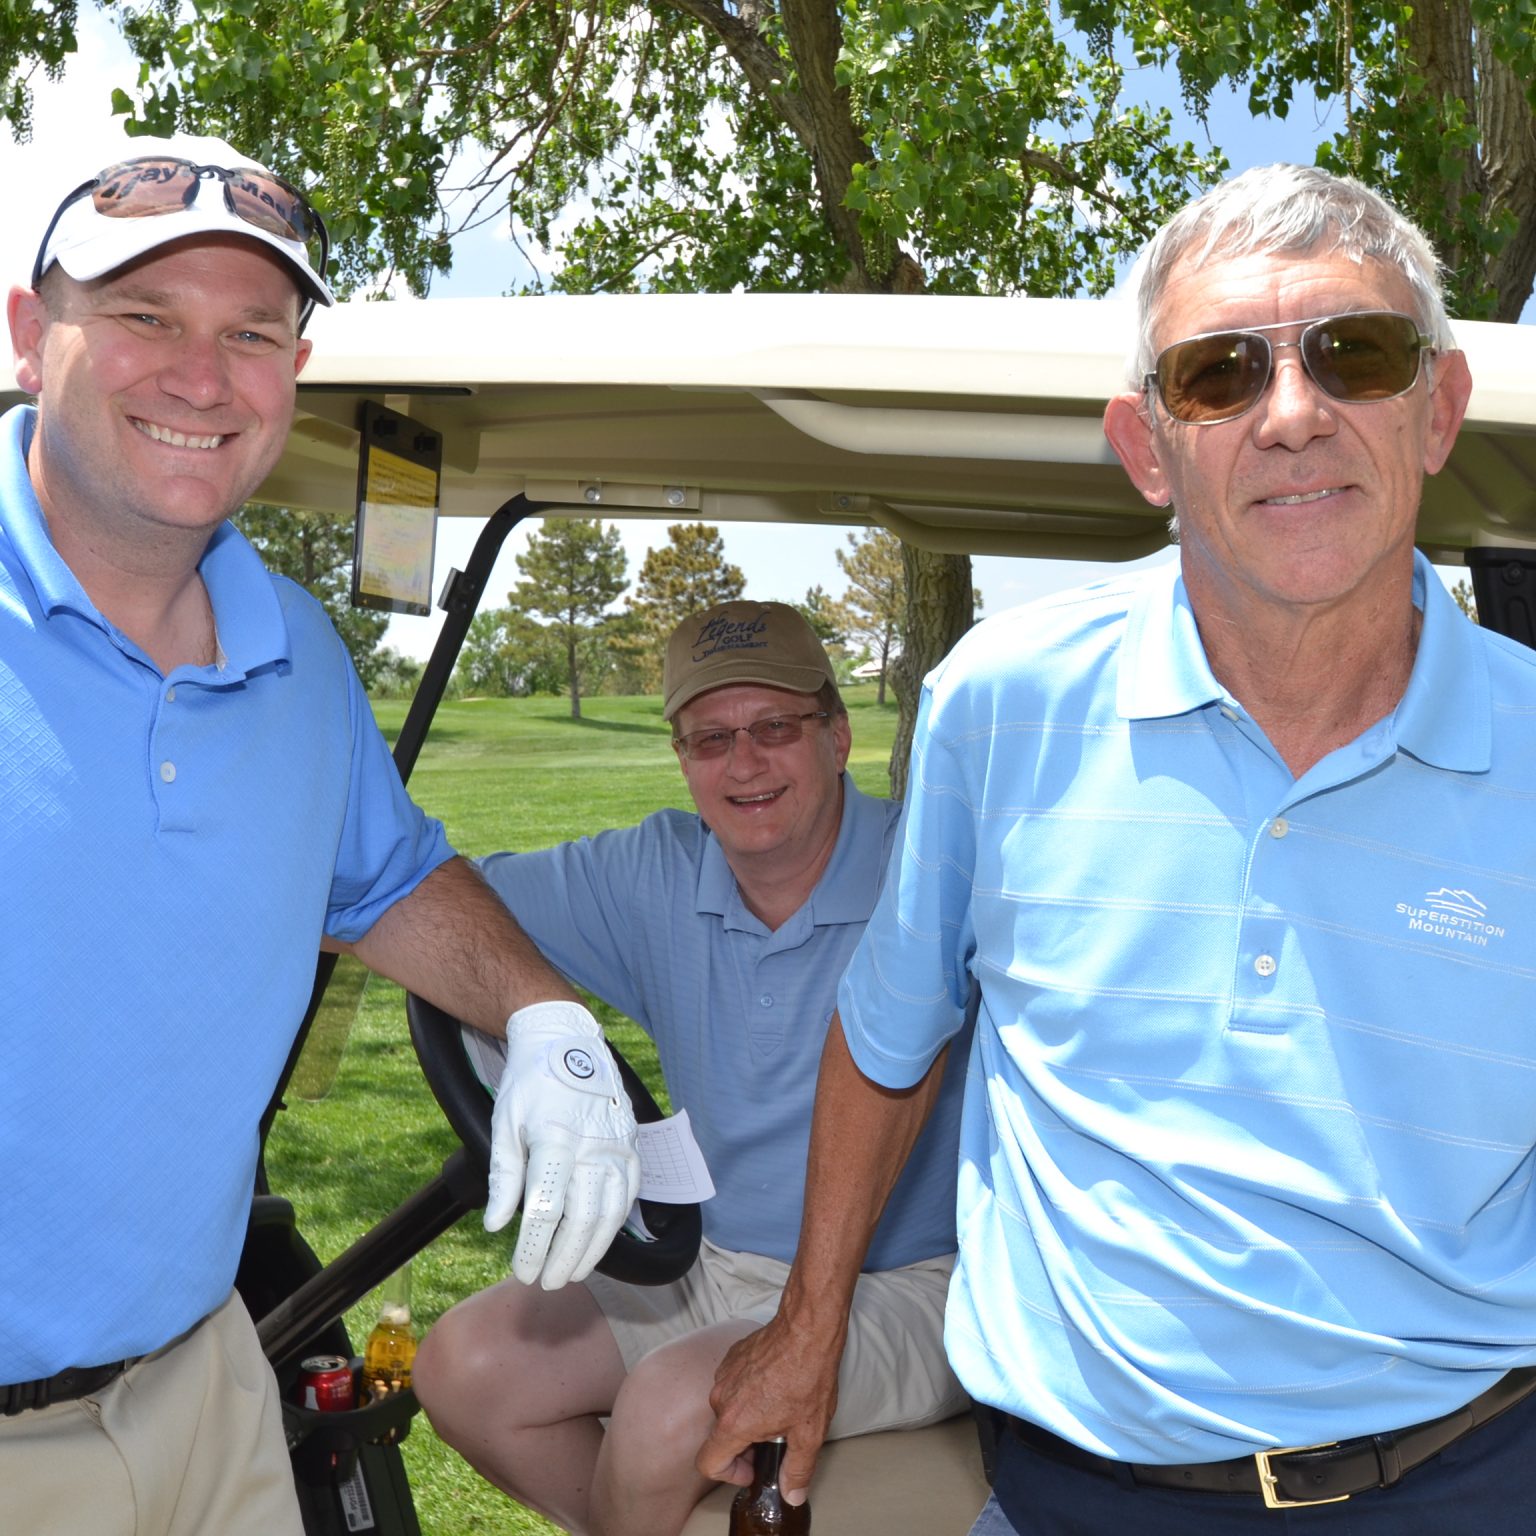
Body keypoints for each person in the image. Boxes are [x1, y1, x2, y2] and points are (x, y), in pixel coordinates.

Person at [701, 163, 1536, 1535]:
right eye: (1218, 375)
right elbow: (890, 1036)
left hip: (1470, 1481)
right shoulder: (1002, 702)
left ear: (1436, 409)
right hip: (1072, 1497)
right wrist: (806, 1325)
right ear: (1147, 449)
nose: (1291, 416)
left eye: (1358, 354)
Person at [1, 132, 641, 1536]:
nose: (201, 376)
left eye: (253, 333)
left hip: (207, 1389)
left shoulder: (292, 649)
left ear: (294, 368)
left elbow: (385, 876)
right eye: (145, 319)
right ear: (30, 332)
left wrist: (542, 1012)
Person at [412, 599, 971, 1536]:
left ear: (837, 735)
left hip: (911, 1281)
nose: (743, 763)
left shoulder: (932, 873)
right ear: (681, 757)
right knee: (463, 1368)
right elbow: (429, 902)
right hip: (708, 1261)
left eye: (775, 729)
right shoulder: (659, 873)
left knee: (672, 1407)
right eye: (710, 738)